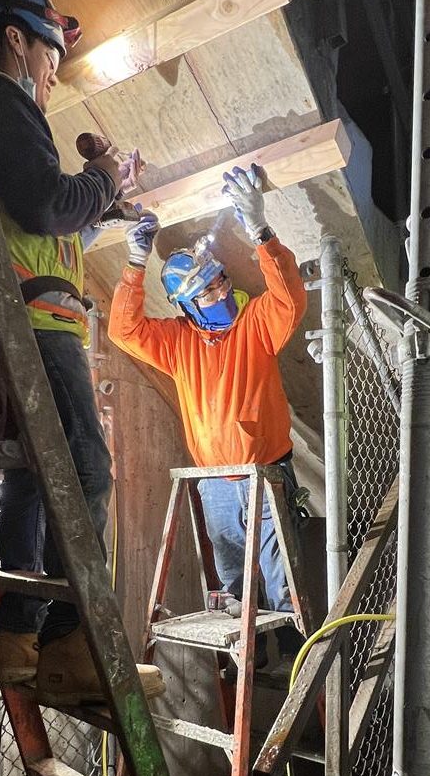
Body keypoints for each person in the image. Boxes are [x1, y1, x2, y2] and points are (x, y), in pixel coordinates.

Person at [0, 0, 151, 705]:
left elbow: (37, 216)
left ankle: (21, 639)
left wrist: (103, 202)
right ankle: (76, 644)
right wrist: (103, 179)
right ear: (17, 39)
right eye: (52, 53)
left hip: (8, 309)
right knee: (87, 468)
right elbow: (46, 204)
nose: (53, 71)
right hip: (27, 317)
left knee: (32, 472)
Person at [108, 165, 307, 632]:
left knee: (283, 585)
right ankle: (249, 664)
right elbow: (123, 330)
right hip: (215, 483)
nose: (220, 293)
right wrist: (135, 263)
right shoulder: (179, 342)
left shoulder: (255, 324)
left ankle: (299, 661)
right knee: (232, 595)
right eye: (207, 291)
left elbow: (290, 300)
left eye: (219, 281)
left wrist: (260, 229)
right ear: (187, 305)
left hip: (267, 475)